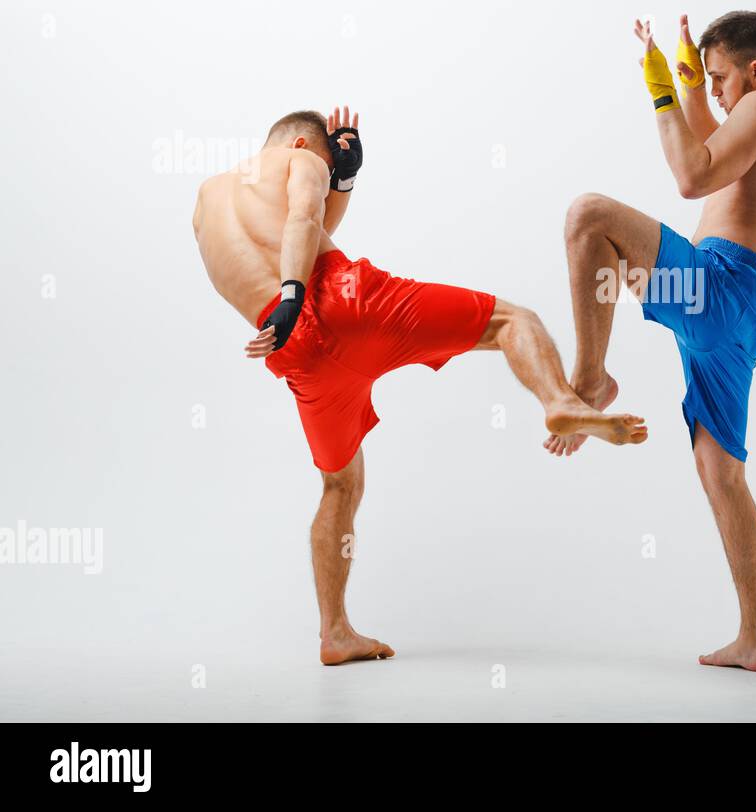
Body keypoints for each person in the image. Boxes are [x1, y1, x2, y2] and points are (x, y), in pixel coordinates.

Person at [193, 107, 647, 665]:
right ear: (307, 141)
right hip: (342, 298)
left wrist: (343, 184)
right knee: (512, 320)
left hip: (293, 351)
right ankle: (559, 400)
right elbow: (305, 219)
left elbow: (290, 236)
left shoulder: (208, 200)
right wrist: (295, 287)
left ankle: (334, 633)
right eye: (327, 158)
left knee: (340, 485)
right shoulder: (299, 157)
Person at [551, 13, 756, 671]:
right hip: (747, 316)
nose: (720, 94)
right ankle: (754, 640)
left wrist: (656, 88)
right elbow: (727, 157)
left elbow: (692, 176)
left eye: (721, 80)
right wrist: (690, 91)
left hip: (717, 289)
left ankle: (591, 378)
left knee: (588, 216)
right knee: (721, 473)